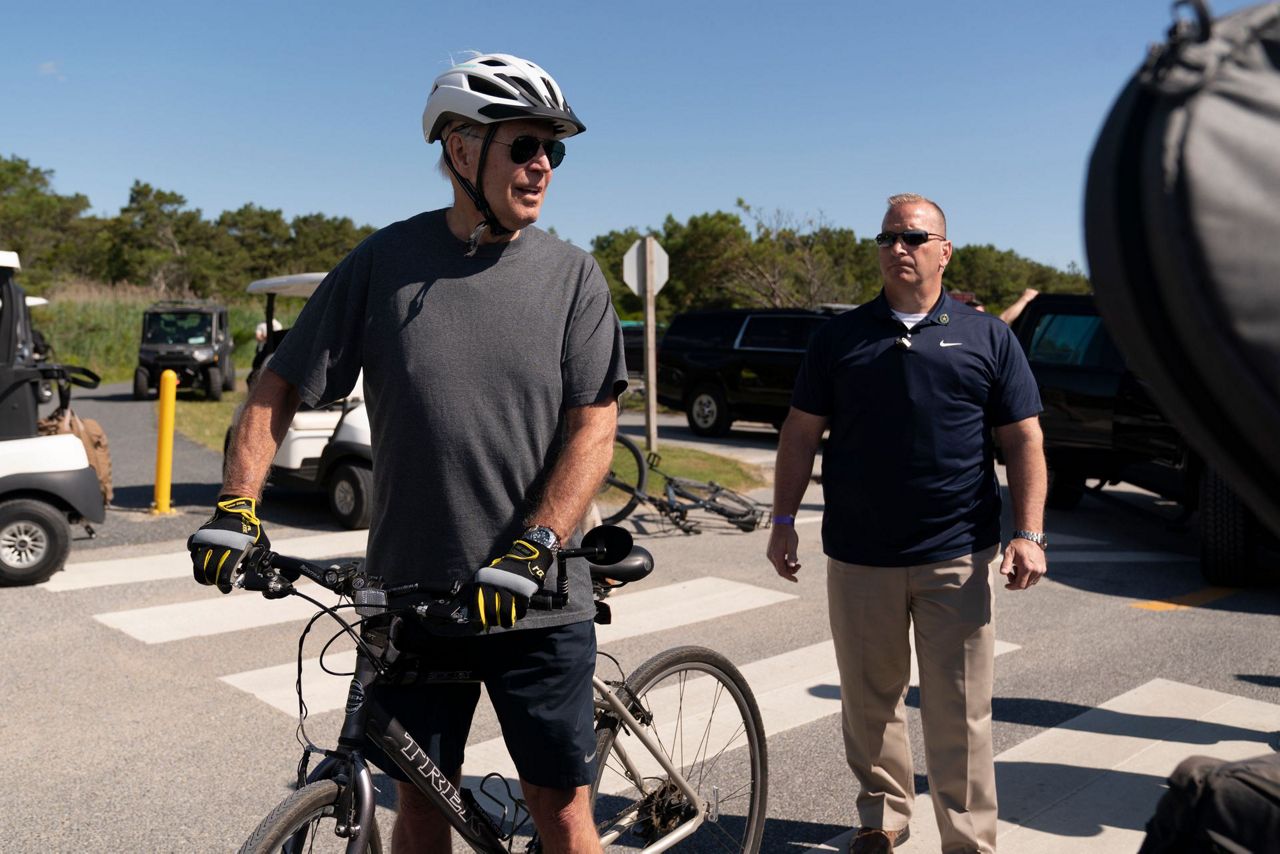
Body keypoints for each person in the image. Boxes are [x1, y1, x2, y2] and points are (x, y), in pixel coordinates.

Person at [189, 53, 626, 853]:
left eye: (553, 151)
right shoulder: (384, 265)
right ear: (461, 151)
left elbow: (594, 427)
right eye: (525, 145)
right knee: (421, 804)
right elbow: (274, 388)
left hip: (537, 594)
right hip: (411, 596)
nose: (542, 167)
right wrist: (236, 505)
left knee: (557, 808)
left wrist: (539, 543)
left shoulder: (572, 278)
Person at [766, 194, 1048, 854]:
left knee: (961, 714)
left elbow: (1025, 440)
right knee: (869, 707)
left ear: (944, 251)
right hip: (861, 557)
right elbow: (800, 433)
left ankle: (968, 840)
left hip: (958, 555)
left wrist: (1028, 533)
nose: (900, 247)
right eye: (889, 236)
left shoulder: (986, 336)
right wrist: (782, 520)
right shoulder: (840, 338)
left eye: (915, 237)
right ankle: (885, 822)